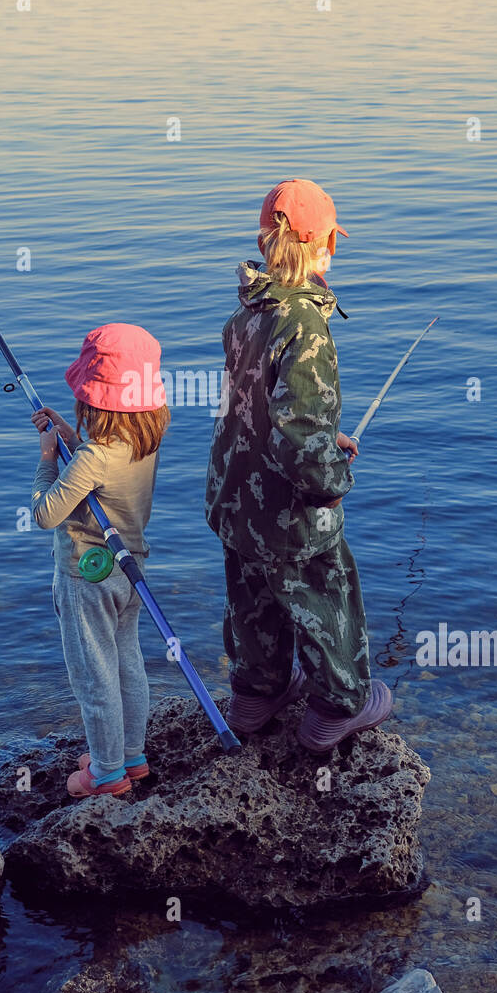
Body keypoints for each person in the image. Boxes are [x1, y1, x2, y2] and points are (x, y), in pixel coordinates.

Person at [205, 178, 392, 751]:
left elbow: (258, 407)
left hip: (235, 496)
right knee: (323, 594)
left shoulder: (249, 314)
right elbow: (299, 430)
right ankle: (337, 708)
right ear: (322, 246)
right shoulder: (306, 323)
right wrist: (329, 483)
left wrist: (321, 436)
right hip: (286, 508)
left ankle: (255, 695)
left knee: (252, 598)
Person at [31, 323, 170, 797]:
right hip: (131, 572)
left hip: (86, 578)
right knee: (128, 661)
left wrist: (48, 457)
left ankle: (106, 773)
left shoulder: (92, 456)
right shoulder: (142, 441)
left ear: (93, 398)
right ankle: (131, 757)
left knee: (95, 676)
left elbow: (46, 513)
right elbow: (100, 471)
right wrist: (69, 434)